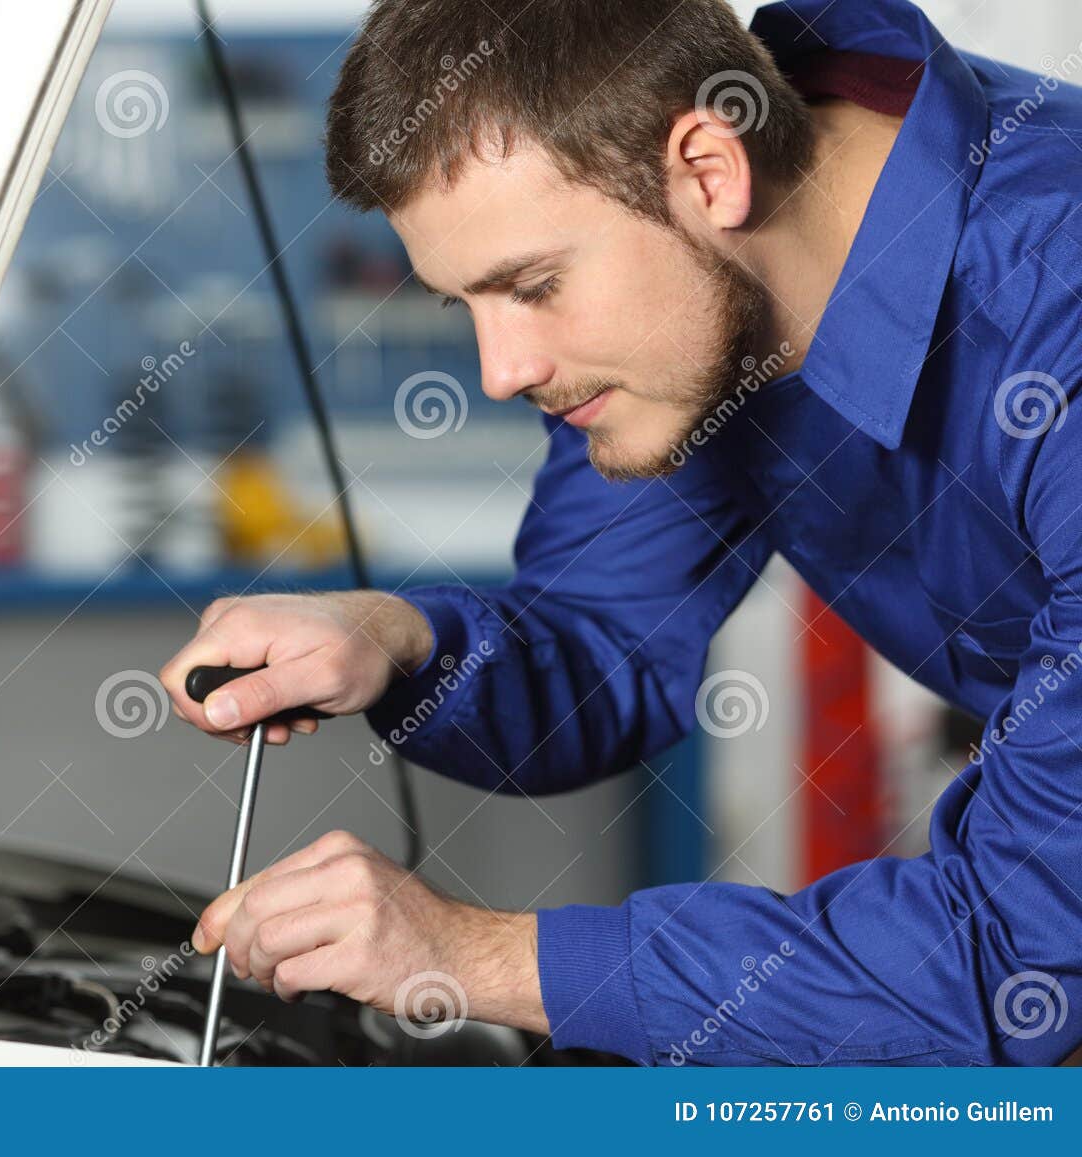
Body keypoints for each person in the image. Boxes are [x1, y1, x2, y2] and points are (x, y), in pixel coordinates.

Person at [160, 0, 1082, 1065]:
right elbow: (602, 645)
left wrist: (472, 958)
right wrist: (396, 639)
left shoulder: (1050, 313)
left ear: (707, 169)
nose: (502, 370)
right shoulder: (697, 309)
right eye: (468, 305)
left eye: (533, 287)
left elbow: (1011, 951)